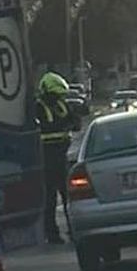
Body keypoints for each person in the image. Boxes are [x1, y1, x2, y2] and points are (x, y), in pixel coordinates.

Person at [36, 72, 79, 245]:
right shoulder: (38, 106)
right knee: (50, 199)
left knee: (69, 196)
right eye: (55, 94)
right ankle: (52, 234)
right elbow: (46, 126)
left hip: (63, 155)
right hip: (47, 156)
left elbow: (74, 122)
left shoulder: (62, 104)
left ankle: (74, 230)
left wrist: (74, 120)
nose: (58, 98)